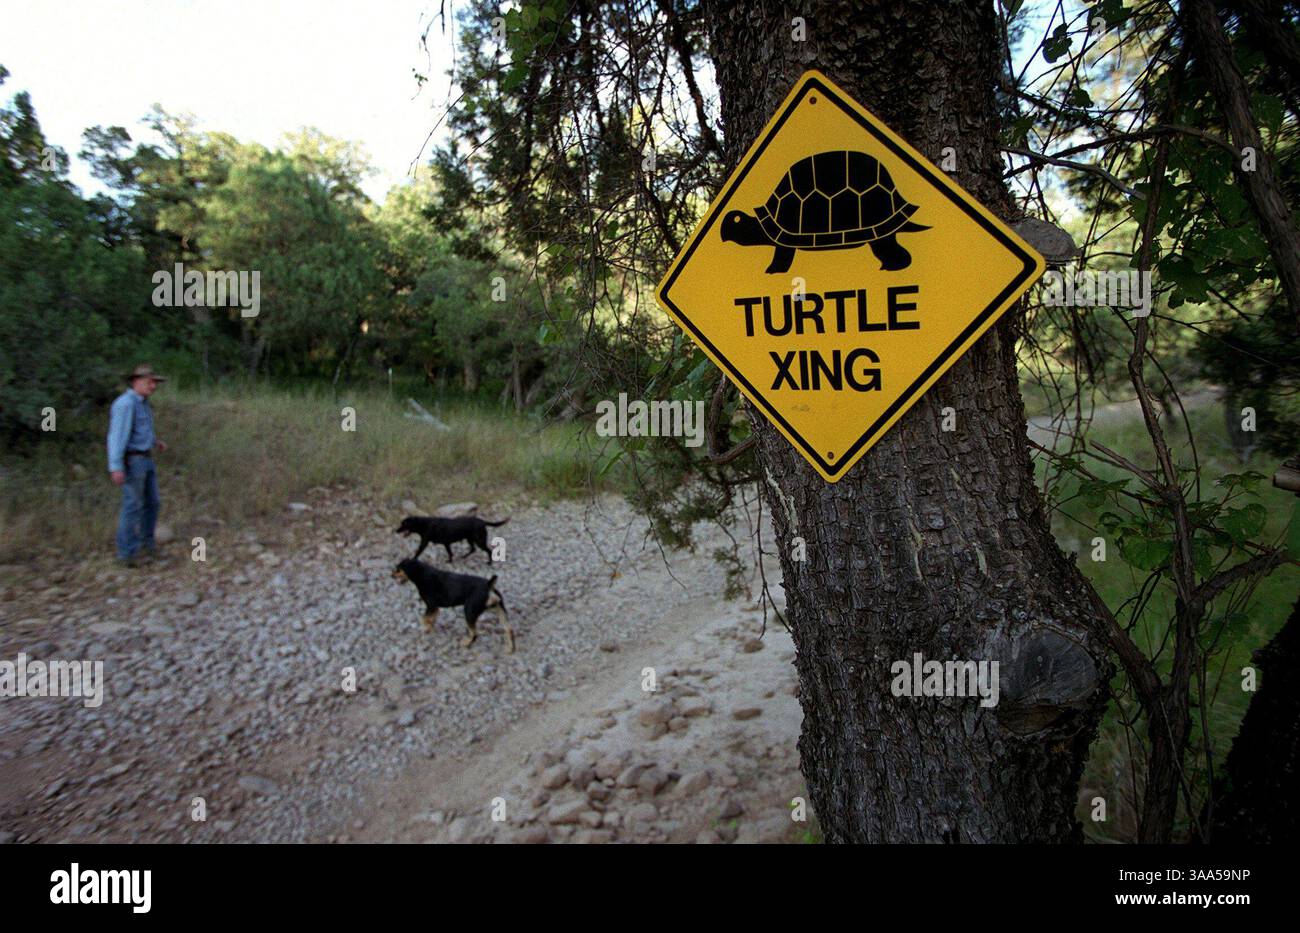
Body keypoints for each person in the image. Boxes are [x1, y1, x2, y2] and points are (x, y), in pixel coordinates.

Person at [107, 364, 168, 565]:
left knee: (152, 503)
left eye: (154, 382)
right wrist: (116, 466)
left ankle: (146, 544)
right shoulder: (125, 404)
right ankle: (127, 554)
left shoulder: (143, 403)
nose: (153, 386)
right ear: (136, 382)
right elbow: (117, 436)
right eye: (149, 382)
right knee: (132, 506)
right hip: (133, 461)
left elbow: (139, 430)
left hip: (145, 457)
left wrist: (154, 441)